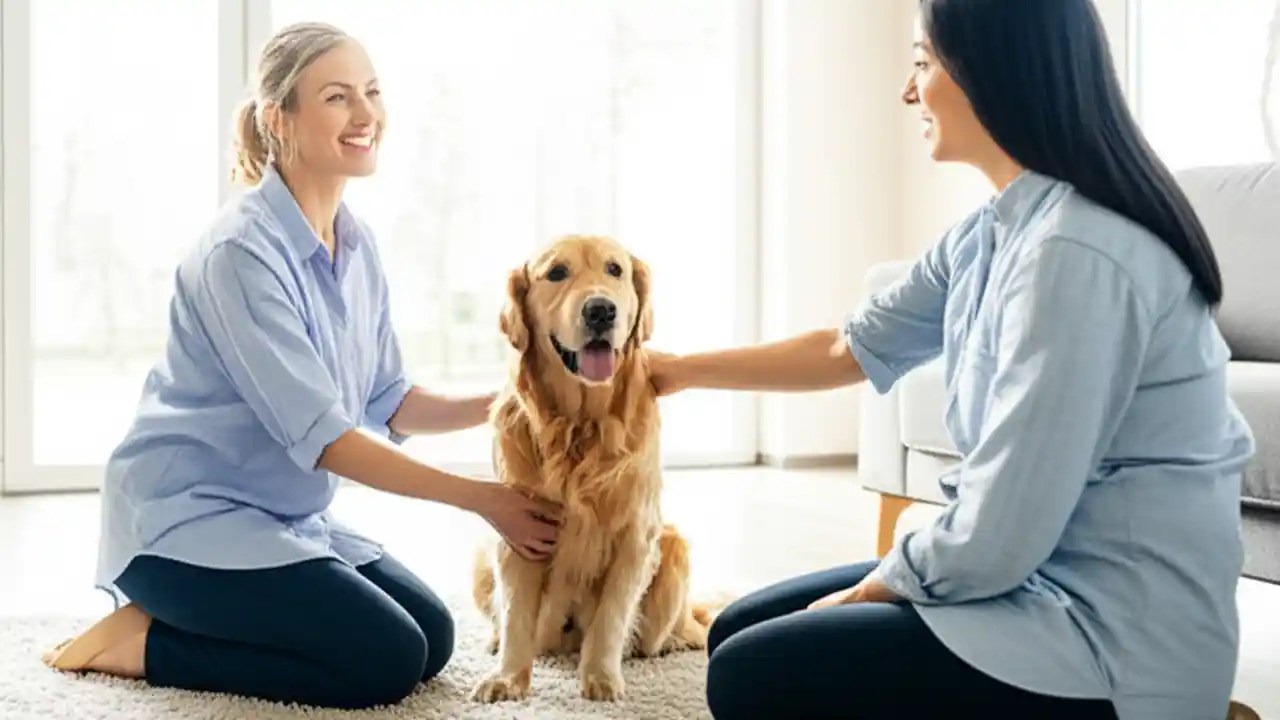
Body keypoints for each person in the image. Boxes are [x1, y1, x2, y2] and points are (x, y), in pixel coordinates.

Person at [647, 1, 1255, 718]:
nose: (909, 92)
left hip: (1108, 635)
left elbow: (1000, 535)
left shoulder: (1077, 253)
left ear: (991, 71)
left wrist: (871, 588)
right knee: (734, 632)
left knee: (753, 674)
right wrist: (678, 370)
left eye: (921, 64)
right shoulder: (994, 233)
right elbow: (847, 347)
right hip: (1030, 581)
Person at [40, 22, 562, 710]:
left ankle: (192, 625)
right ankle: (142, 643)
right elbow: (328, 441)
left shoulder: (356, 242)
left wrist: (519, 396)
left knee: (431, 638)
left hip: (281, 520)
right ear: (276, 118)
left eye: (372, 93)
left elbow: (389, 398)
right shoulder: (240, 253)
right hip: (183, 525)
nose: (367, 114)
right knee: (385, 659)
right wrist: (485, 500)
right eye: (339, 97)